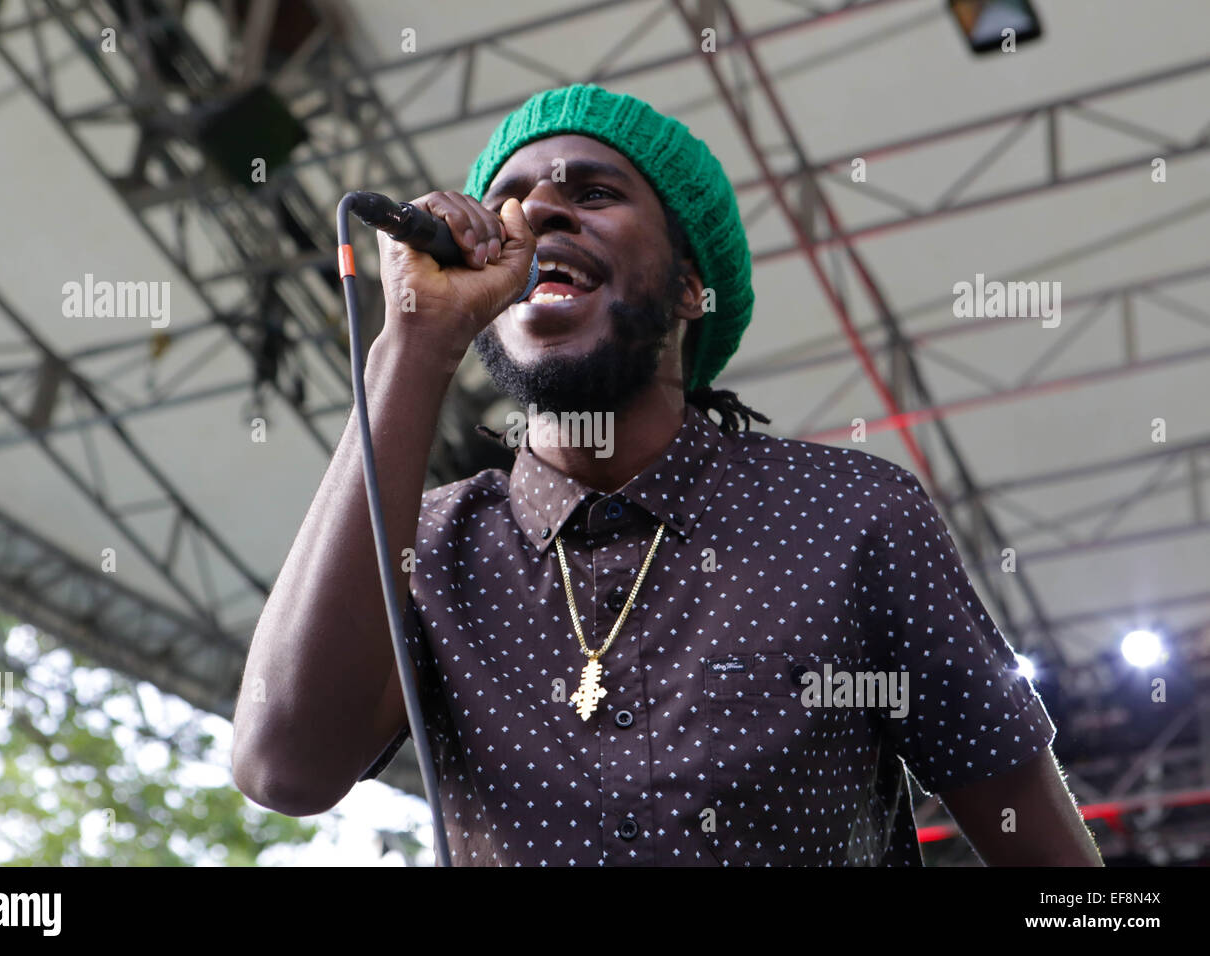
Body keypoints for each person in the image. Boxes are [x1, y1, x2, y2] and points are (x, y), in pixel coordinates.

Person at [232, 83, 1103, 866]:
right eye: (509, 201)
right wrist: (414, 342)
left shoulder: (854, 514)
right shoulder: (426, 543)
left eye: (594, 192)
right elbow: (284, 769)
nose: (538, 211)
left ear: (693, 286)